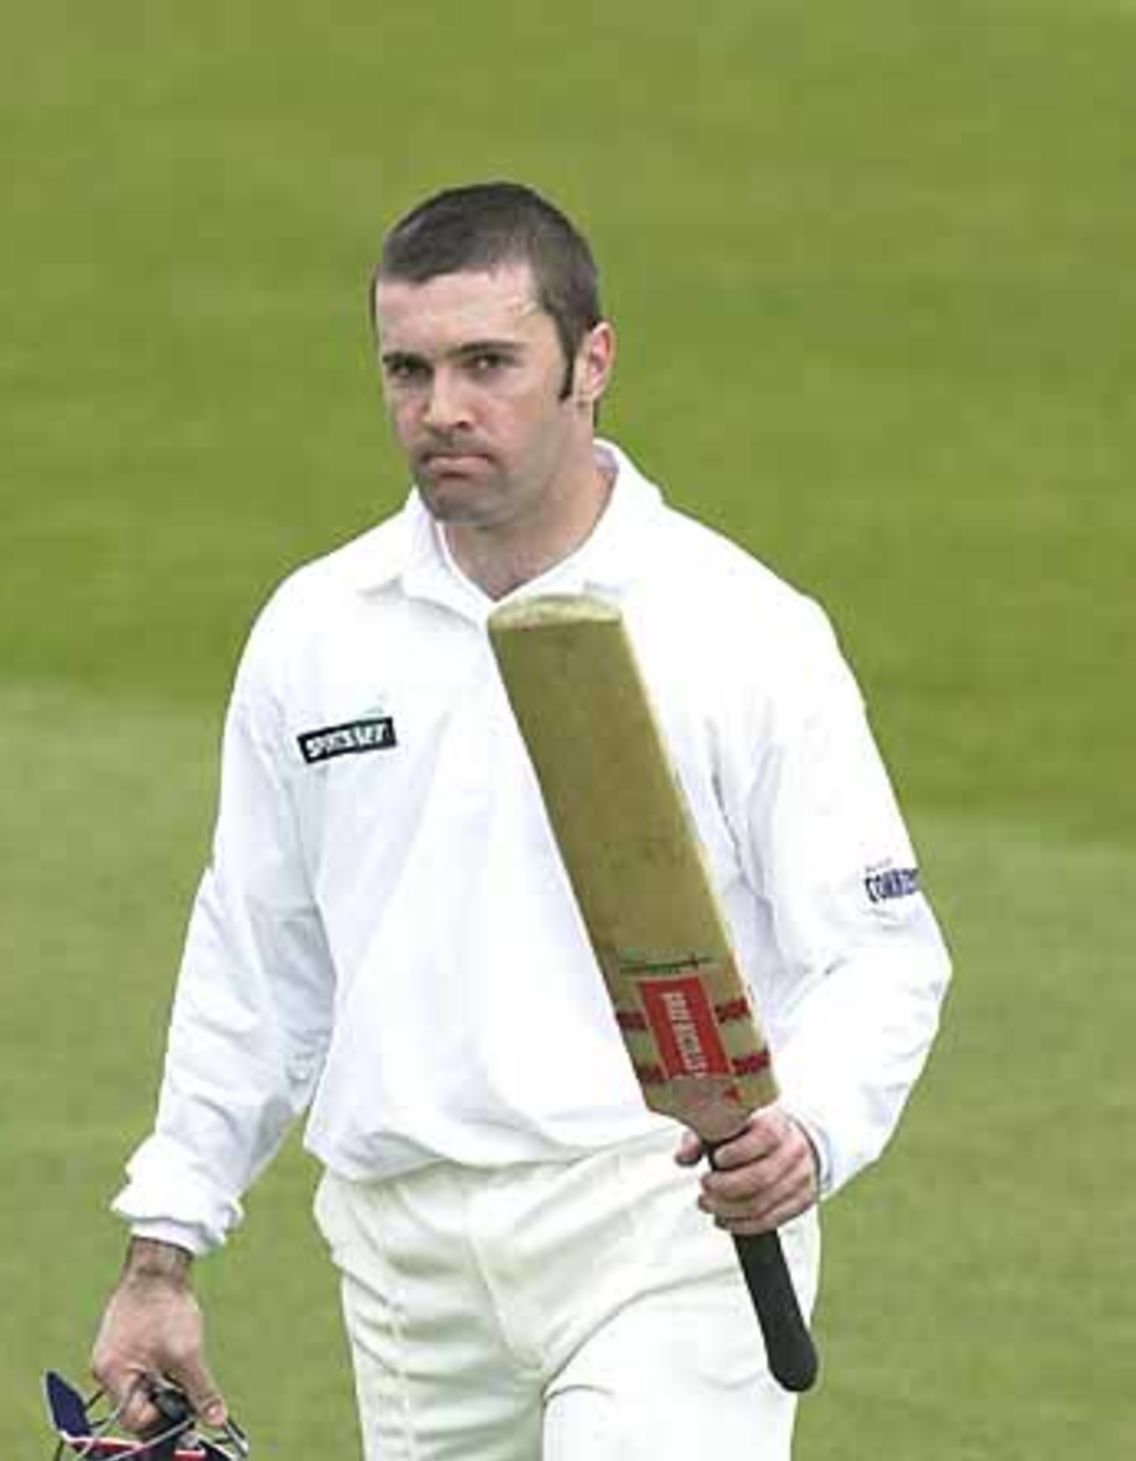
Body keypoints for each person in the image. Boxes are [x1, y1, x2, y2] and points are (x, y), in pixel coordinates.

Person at [90, 181, 951, 1460]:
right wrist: (161, 1251)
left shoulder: (739, 626)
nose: (441, 409)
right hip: (404, 1260)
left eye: (488, 362)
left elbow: (882, 951)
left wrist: (809, 1128)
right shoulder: (317, 632)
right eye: (407, 368)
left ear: (590, 361)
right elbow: (258, 962)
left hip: (661, 1222)